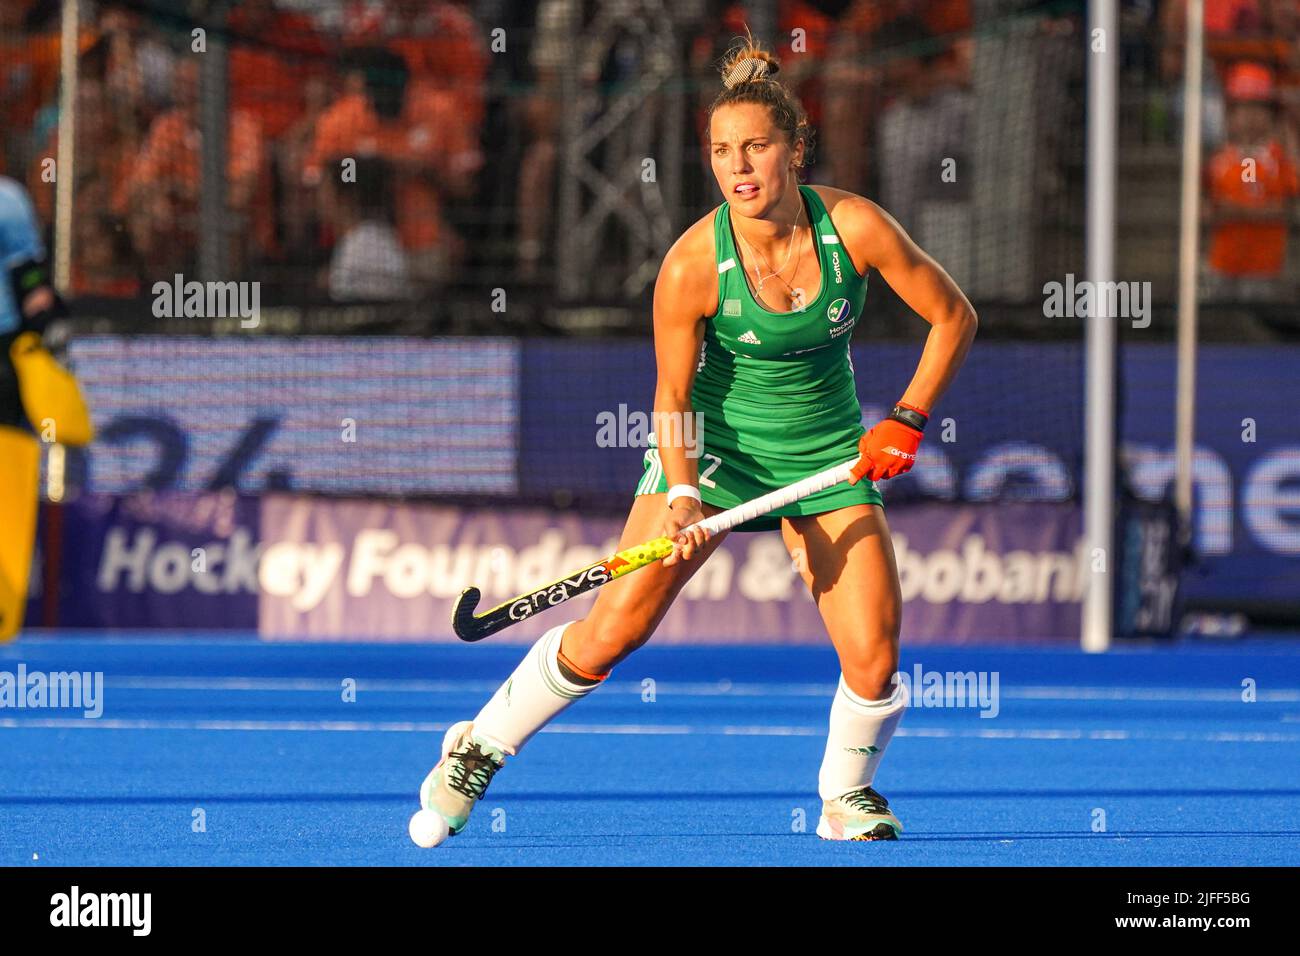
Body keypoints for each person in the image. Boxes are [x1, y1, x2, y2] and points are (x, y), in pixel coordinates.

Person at [416, 36, 977, 842]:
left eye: (755, 146)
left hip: (824, 458)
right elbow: (672, 397)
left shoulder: (853, 227)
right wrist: (681, 493)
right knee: (615, 631)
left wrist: (908, 417)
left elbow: (954, 317)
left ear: (795, 147)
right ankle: (477, 746)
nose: (738, 166)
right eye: (721, 151)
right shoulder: (691, 265)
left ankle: (845, 796)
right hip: (713, 455)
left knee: (876, 655)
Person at [0, 175, 92, 640]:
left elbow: (29, 279)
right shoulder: (7, 198)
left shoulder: (5, 200)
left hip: (4, 358)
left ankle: (3, 610)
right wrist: (52, 328)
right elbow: (33, 286)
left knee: (9, 482)